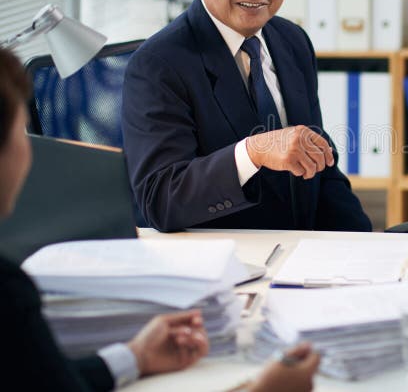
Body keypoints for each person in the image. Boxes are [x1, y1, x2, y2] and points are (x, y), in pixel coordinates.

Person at [0, 48, 320, 391]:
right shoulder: (8, 294)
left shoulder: (288, 42)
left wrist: (134, 356)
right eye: (22, 132)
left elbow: (43, 380)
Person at [122, 0, 371, 232]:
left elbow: (320, 171)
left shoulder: (292, 41)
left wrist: (368, 248)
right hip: (221, 263)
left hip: (302, 258)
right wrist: (252, 152)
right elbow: (162, 200)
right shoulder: (158, 65)